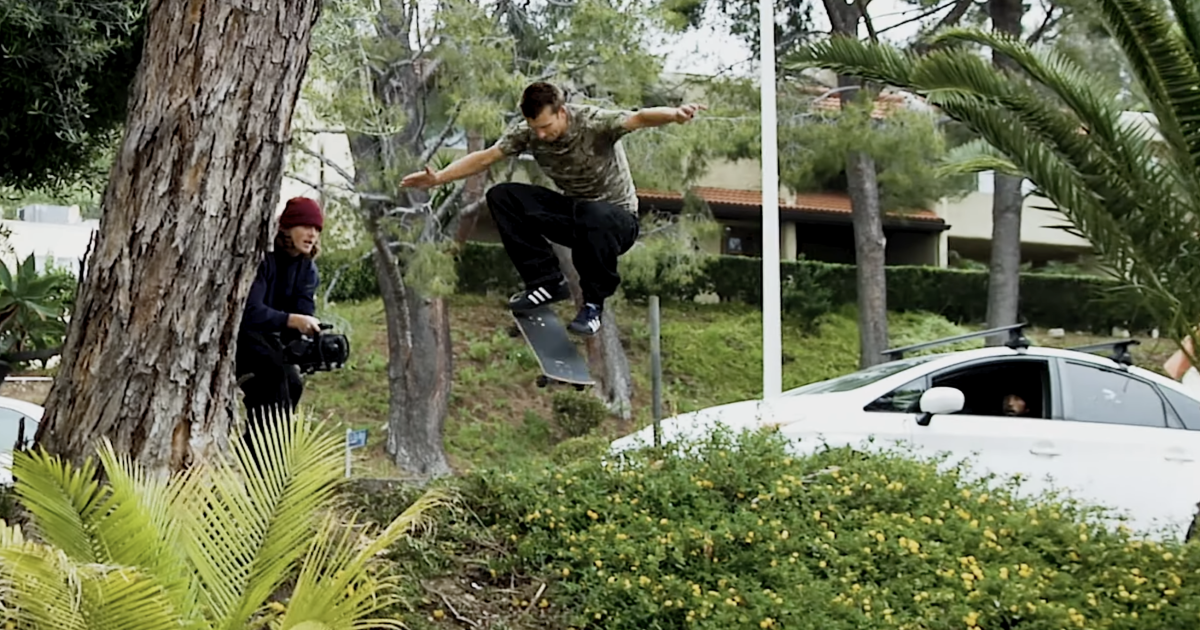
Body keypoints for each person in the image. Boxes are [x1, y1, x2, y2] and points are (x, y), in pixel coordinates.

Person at [401, 81, 706, 335]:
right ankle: (546, 282)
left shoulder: (593, 122)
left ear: (562, 112)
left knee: (593, 212)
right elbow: (485, 157)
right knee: (502, 196)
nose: (541, 135)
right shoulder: (527, 132)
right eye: (535, 128)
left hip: (617, 223)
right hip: (576, 216)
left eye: (546, 126)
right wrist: (438, 178)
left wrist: (675, 114)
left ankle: (593, 306)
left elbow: (639, 118)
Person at [236, 196, 324, 434]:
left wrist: (308, 340)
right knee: (273, 381)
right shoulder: (264, 258)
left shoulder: (307, 269)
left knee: (293, 384)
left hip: (273, 341)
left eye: (317, 229)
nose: (312, 234)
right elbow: (250, 312)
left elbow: (304, 312)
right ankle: (263, 451)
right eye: (305, 226)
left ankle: (267, 449)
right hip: (244, 338)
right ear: (287, 227)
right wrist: (292, 320)